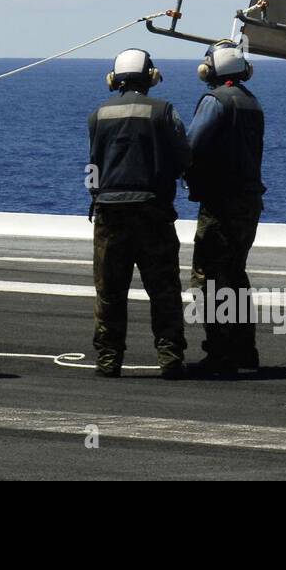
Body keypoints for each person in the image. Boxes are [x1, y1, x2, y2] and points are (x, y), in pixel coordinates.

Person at [87, 48, 191, 378]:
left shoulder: (99, 114)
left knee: (109, 290)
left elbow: (92, 165)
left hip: (109, 213)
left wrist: (97, 195)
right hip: (153, 212)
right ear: (151, 77)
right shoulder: (164, 112)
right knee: (163, 289)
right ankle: (170, 357)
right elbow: (183, 157)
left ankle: (108, 359)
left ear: (114, 80)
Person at [185, 39, 266, 375]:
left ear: (210, 69)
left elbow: (191, 145)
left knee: (208, 278)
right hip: (249, 201)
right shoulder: (251, 101)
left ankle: (219, 352)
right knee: (235, 275)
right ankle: (244, 348)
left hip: (220, 202)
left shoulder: (214, 100)